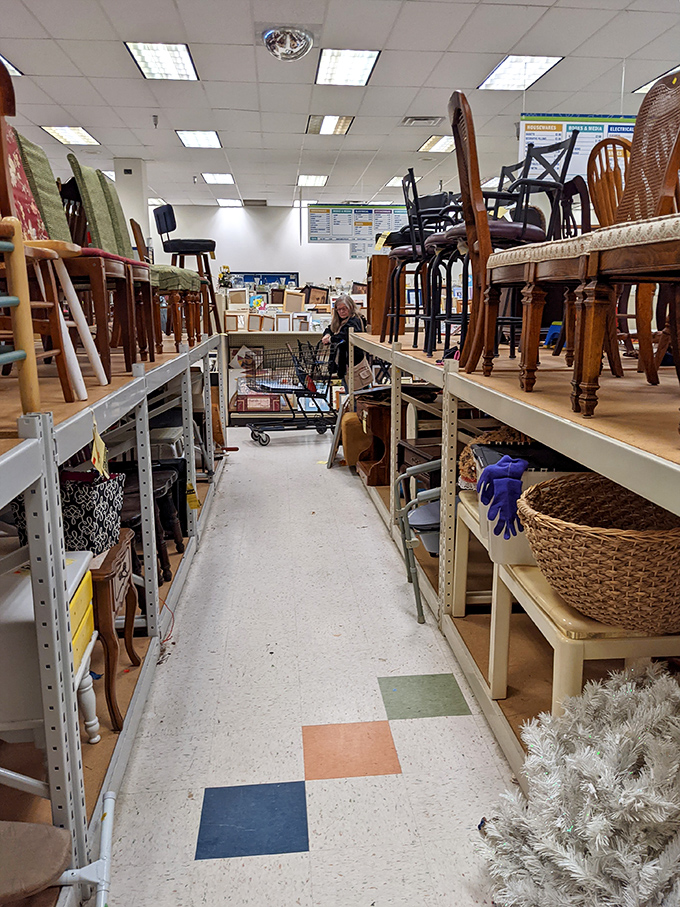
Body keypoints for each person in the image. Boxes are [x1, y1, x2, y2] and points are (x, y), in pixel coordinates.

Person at [322, 295, 365, 389]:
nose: (341, 311)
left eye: (344, 309)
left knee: (356, 391)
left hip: (353, 363)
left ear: (351, 307)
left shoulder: (355, 320)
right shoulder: (340, 321)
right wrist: (327, 334)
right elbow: (330, 329)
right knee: (348, 389)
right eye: (339, 309)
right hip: (343, 364)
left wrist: (330, 339)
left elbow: (344, 336)